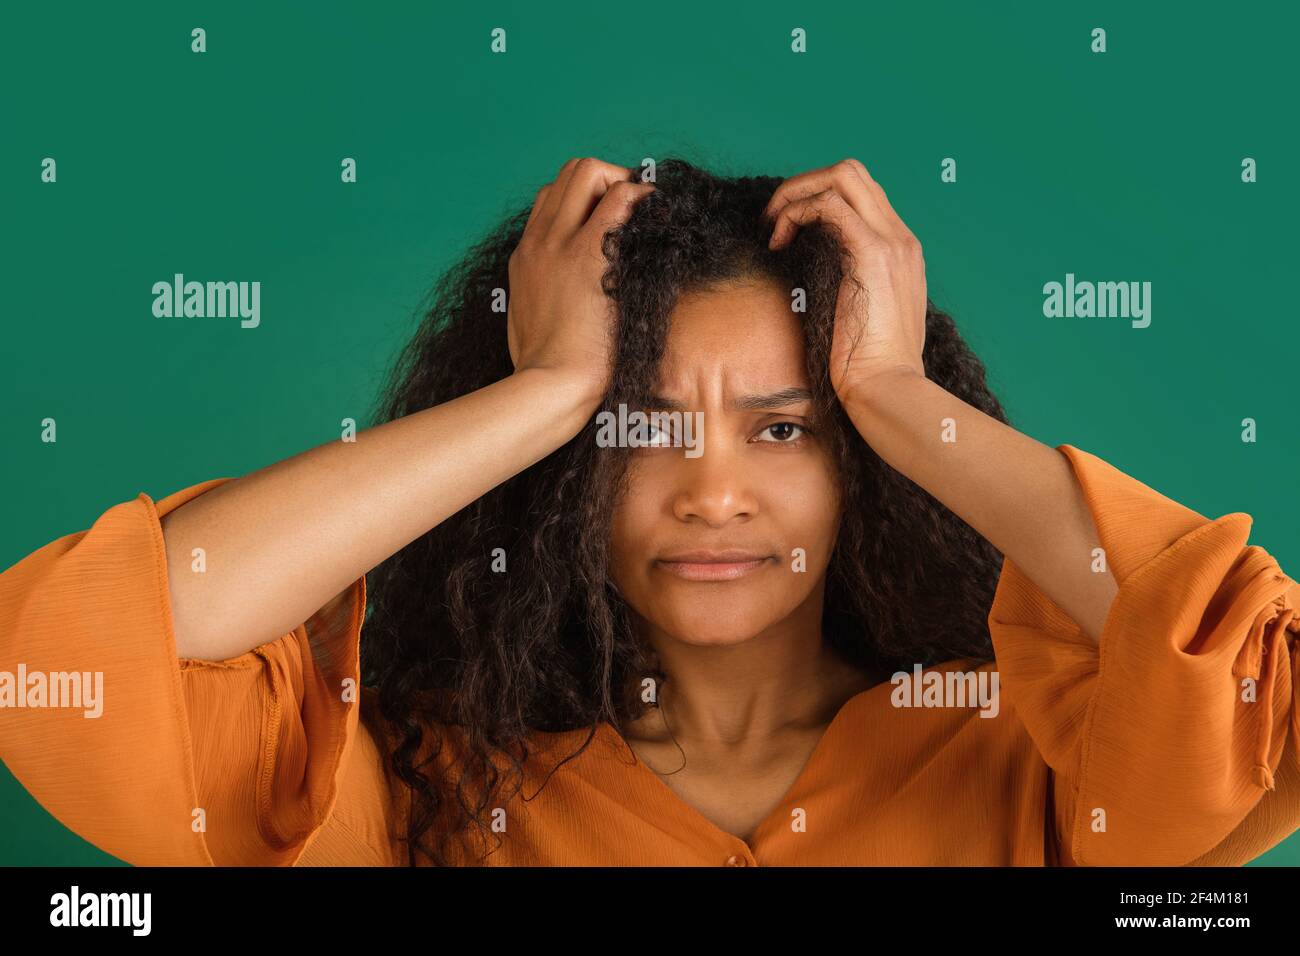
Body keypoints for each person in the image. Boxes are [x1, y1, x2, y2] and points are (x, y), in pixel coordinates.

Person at [2, 157, 1298, 867]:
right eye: (637, 432)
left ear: (867, 467)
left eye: (787, 428)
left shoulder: (1030, 764)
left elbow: (1258, 693)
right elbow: (69, 659)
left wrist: (896, 397)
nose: (715, 493)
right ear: (564, 479)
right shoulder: (409, 790)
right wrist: (545, 389)